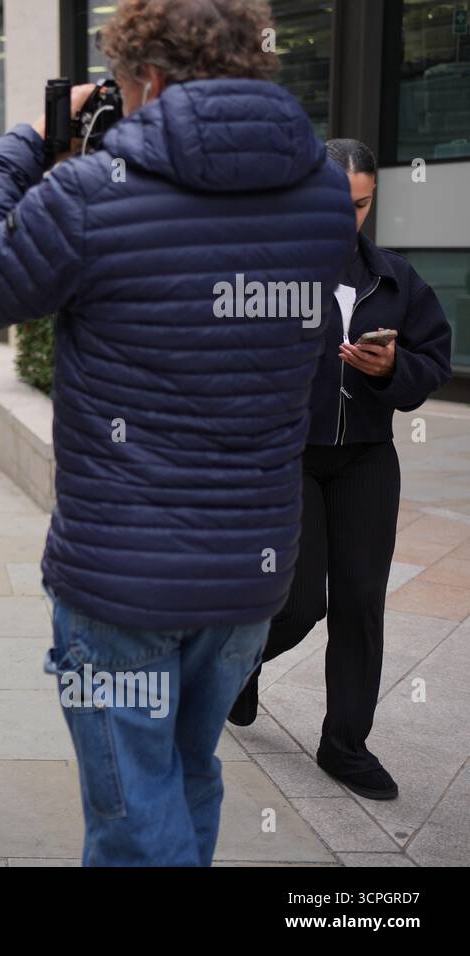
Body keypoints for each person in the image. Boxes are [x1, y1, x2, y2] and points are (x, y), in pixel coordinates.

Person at [0, 0, 358, 865]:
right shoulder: (321, 188)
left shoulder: (90, 194)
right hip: (252, 566)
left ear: (152, 80)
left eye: (126, 88)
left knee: (132, 811)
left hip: (122, 576)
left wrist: (22, 148)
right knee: (190, 770)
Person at [227, 139, 452, 801]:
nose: (346, 219)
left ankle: (345, 745)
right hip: (288, 457)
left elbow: (433, 361)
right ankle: (237, 670)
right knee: (297, 606)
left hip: (366, 460)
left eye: (360, 205)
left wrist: (393, 370)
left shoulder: (396, 280)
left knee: (359, 603)